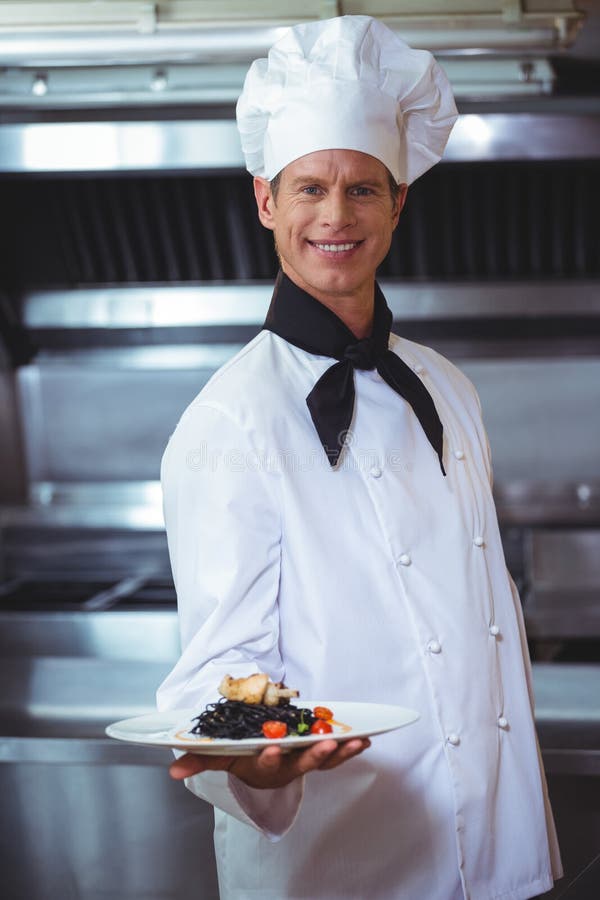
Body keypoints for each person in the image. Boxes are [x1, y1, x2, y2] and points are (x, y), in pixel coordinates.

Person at [157, 15, 562, 900]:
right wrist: (256, 765)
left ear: (399, 202)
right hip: (341, 860)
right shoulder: (229, 419)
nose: (336, 216)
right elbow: (218, 673)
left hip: (497, 850)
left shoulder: (448, 387)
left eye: (362, 190)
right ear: (267, 202)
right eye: (309, 189)